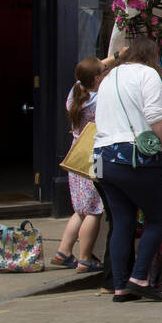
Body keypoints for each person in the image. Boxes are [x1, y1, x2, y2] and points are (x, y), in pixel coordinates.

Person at [93, 37, 162, 302]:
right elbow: (155, 116)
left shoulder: (108, 78)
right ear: (152, 55)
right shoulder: (148, 74)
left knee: (122, 221)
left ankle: (120, 286)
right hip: (132, 157)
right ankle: (139, 277)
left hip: (101, 158)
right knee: (159, 217)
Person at [53, 53, 118, 271]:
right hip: (94, 155)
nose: (106, 71)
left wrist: (116, 56)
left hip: (76, 154)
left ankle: (63, 251)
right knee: (94, 210)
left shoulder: (75, 93)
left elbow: (93, 70)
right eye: (103, 71)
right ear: (98, 79)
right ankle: (84, 258)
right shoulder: (99, 98)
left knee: (80, 208)